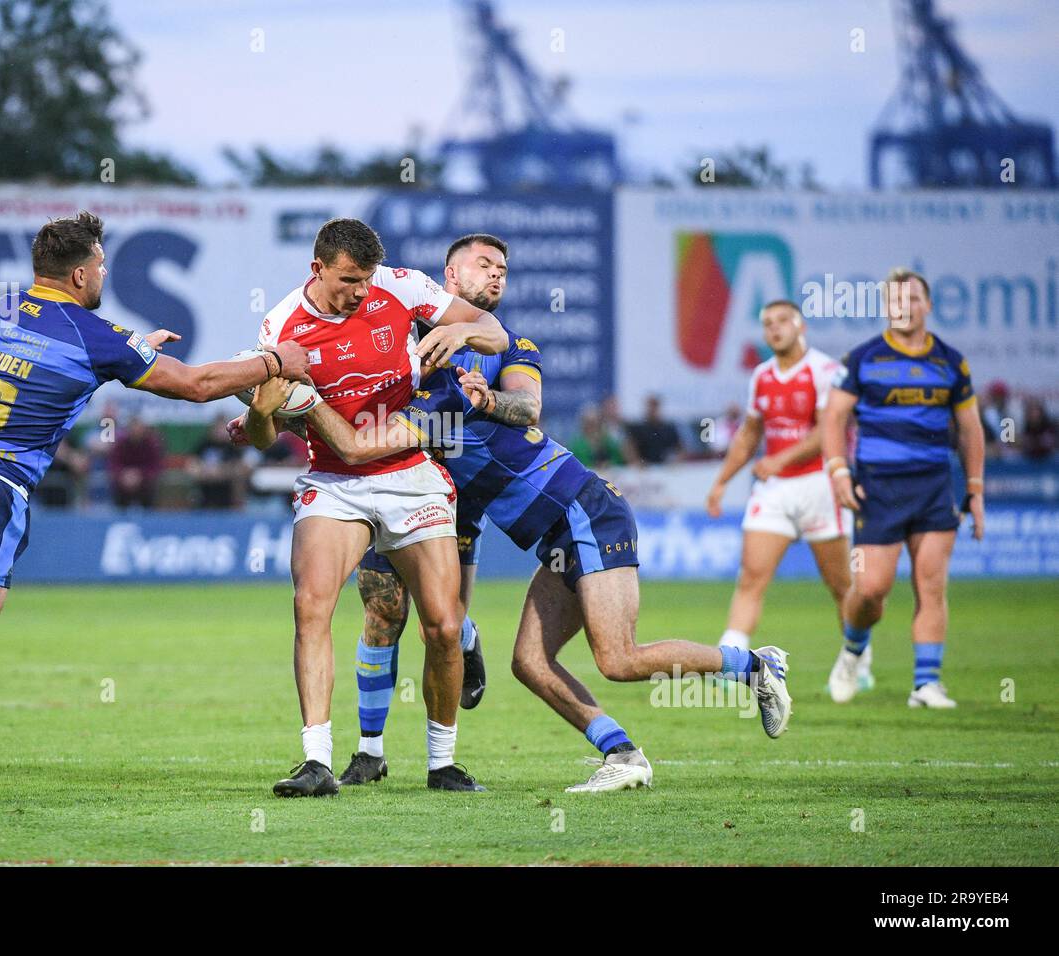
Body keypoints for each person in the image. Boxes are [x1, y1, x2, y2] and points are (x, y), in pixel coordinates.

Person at [0, 210, 311, 803]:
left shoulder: (2, 310)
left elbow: (66, 356)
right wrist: (276, 362)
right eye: (103, 263)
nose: (105, 271)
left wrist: (131, 351)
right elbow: (193, 385)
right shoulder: (96, 338)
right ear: (83, 274)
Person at [255, 347, 793, 795]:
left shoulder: (439, 410)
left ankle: (752, 666)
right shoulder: (433, 466)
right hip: (556, 540)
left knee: (618, 658)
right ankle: (623, 754)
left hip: (589, 514)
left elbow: (361, 442)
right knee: (530, 662)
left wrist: (304, 399)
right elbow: (455, 548)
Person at [243, 218, 508, 797]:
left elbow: (495, 332)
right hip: (335, 483)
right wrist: (263, 411)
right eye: (347, 281)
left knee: (443, 624)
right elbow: (263, 436)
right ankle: (316, 760)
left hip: (410, 468)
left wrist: (462, 334)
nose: (360, 292)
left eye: (365, 280)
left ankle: (442, 764)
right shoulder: (283, 328)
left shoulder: (403, 286)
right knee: (311, 606)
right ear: (317, 269)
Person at [334, 233, 540, 787]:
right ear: (450, 277)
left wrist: (488, 399)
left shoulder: (511, 344)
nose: (496, 274)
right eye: (484, 265)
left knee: (440, 629)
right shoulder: (401, 324)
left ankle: (443, 755)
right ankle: (369, 751)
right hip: (396, 484)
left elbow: (529, 407)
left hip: (462, 502)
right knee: (382, 614)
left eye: (503, 267)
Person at [821, 267, 985, 708]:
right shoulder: (863, 359)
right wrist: (838, 471)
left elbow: (970, 429)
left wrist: (975, 489)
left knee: (931, 585)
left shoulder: (950, 362)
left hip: (934, 486)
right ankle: (854, 648)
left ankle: (926, 684)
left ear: (928, 305)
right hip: (877, 489)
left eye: (911, 299)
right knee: (871, 590)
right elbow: (834, 417)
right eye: (895, 301)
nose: (903, 308)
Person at [705, 300, 857, 687]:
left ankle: (857, 661)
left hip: (819, 484)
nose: (774, 329)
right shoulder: (762, 375)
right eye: (767, 323)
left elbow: (828, 432)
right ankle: (731, 658)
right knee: (751, 576)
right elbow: (750, 434)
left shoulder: (825, 371)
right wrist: (722, 481)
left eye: (781, 322)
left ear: (799, 325)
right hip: (774, 490)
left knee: (840, 584)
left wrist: (778, 460)